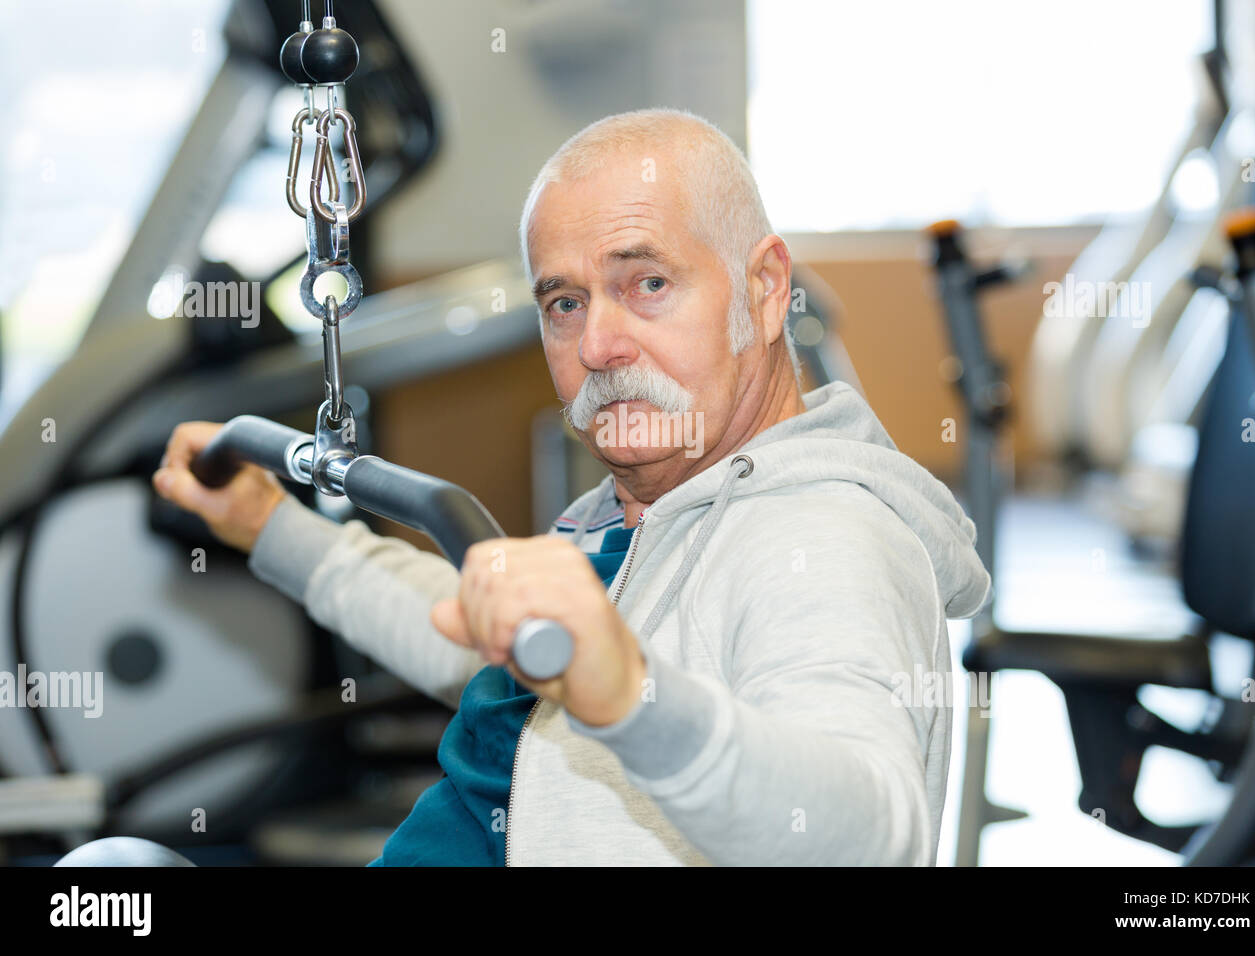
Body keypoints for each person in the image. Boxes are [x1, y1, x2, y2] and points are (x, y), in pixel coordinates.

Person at [153, 108, 991, 866]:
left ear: (765, 290)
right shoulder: (638, 515)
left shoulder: (820, 542)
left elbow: (872, 831)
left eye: (647, 284)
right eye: (564, 302)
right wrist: (270, 526)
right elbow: (486, 642)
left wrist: (630, 695)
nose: (597, 344)